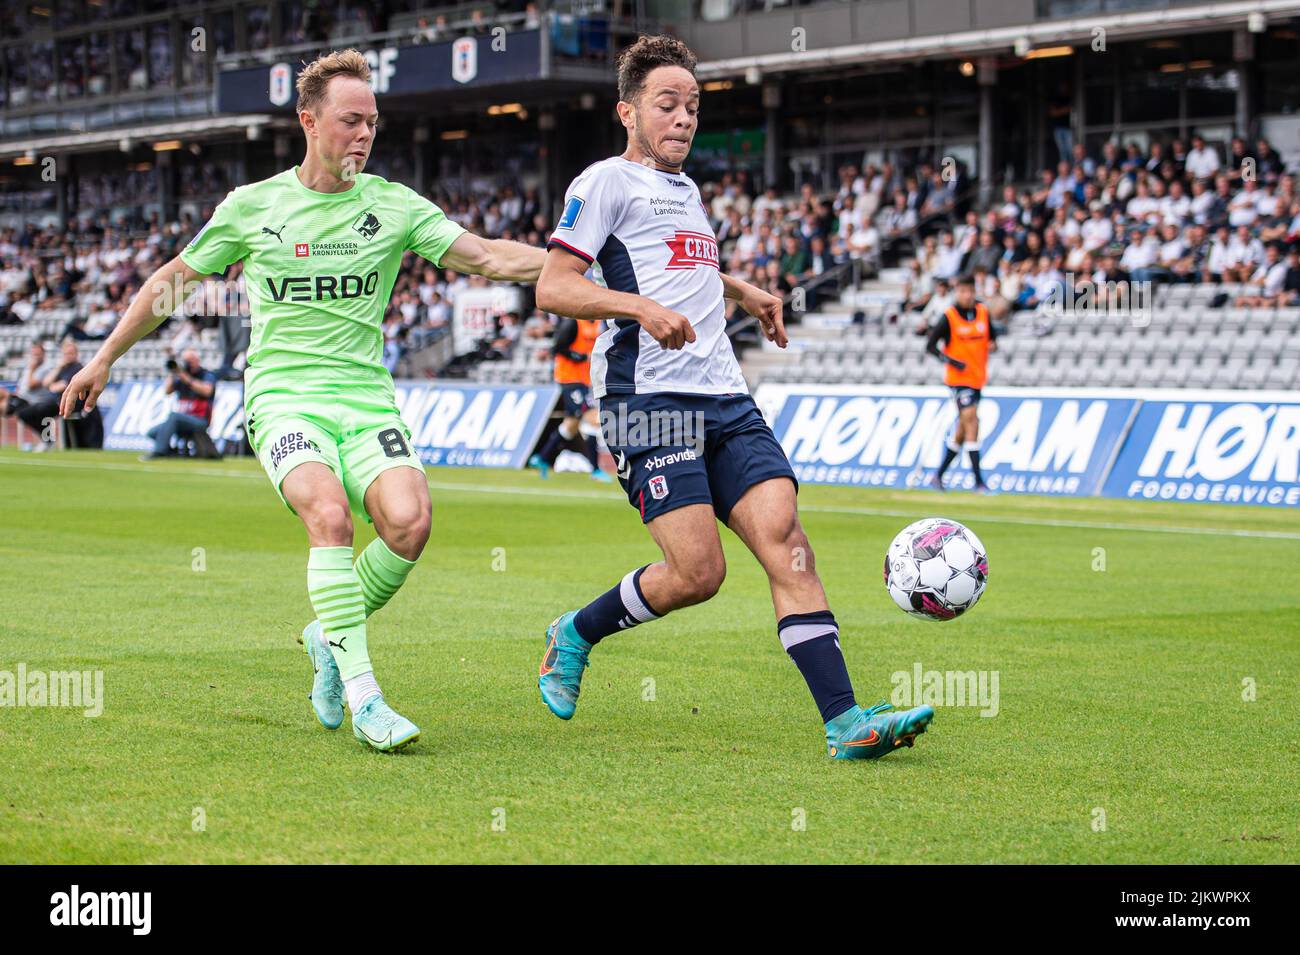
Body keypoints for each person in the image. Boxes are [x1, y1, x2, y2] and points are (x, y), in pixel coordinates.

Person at [60, 49, 545, 752]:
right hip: (284, 397)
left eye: (372, 123)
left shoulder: (393, 205)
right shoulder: (253, 207)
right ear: (308, 120)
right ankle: (365, 696)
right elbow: (174, 280)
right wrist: (104, 357)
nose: (364, 135)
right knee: (328, 514)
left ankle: (327, 632)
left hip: (365, 397)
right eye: (350, 121)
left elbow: (492, 257)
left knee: (409, 524)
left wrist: (579, 258)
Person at [532, 35, 935, 761]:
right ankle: (576, 632)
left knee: (787, 539)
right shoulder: (605, 183)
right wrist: (636, 309)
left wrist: (740, 287)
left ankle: (845, 721)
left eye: (693, 106)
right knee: (699, 574)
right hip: (649, 398)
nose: (684, 118)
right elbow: (554, 286)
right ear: (628, 111)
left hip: (724, 394)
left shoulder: (687, 191)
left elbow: (680, 270)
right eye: (667, 104)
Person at [926, 275, 997, 493]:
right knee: (972, 420)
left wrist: (991, 347)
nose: (966, 295)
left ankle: (938, 476)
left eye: (969, 291)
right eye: (962, 291)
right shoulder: (949, 316)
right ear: (957, 293)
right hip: (958, 381)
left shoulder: (983, 313)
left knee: (962, 429)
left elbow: (992, 340)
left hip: (977, 379)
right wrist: (951, 361)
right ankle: (979, 481)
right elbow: (930, 345)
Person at [528, 314, 613, 482]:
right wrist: (581, 357)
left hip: (583, 379)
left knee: (571, 425)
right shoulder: (573, 323)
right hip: (569, 379)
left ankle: (542, 458)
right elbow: (558, 348)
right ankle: (595, 470)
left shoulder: (597, 321)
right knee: (591, 418)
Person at [142, 348, 219, 460]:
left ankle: (159, 452)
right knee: (152, 432)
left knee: (173, 416)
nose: (188, 364)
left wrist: (186, 378)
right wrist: (173, 372)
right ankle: (171, 451)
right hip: (182, 419)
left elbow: (207, 391)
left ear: (196, 361)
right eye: (185, 361)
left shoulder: (206, 375)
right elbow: (167, 391)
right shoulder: (181, 376)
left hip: (200, 419)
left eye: (190, 361)